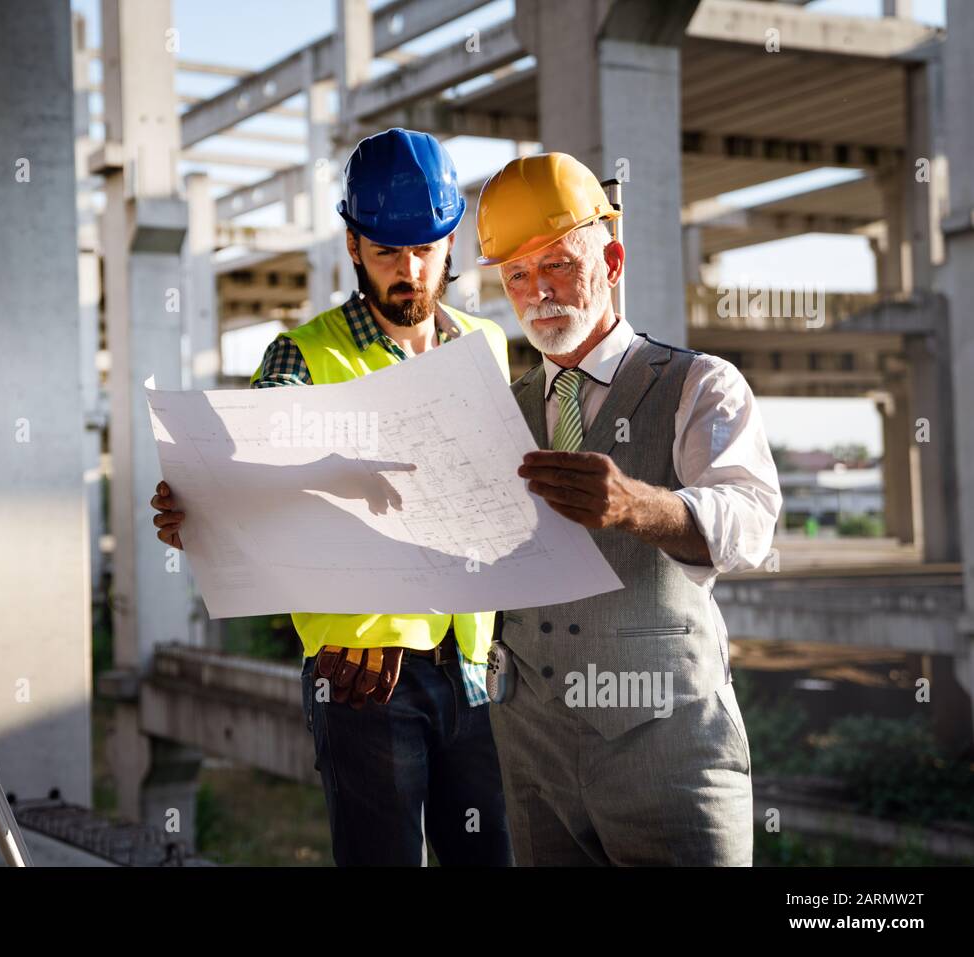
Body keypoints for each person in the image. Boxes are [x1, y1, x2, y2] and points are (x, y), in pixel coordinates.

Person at [152, 128, 513, 866]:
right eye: (387, 253)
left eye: (426, 250)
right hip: (363, 673)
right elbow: (251, 458)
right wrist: (210, 502)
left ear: (452, 242)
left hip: (475, 668)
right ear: (352, 245)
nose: (410, 272)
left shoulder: (486, 345)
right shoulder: (303, 354)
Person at [477, 151, 783, 865]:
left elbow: (750, 518)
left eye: (557, 263)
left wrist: (639, 506)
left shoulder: (700, 384)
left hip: (669, 753)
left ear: (611, 260)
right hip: (533, 753)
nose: (537, 292)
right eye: (517, 275)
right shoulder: (497, 408)